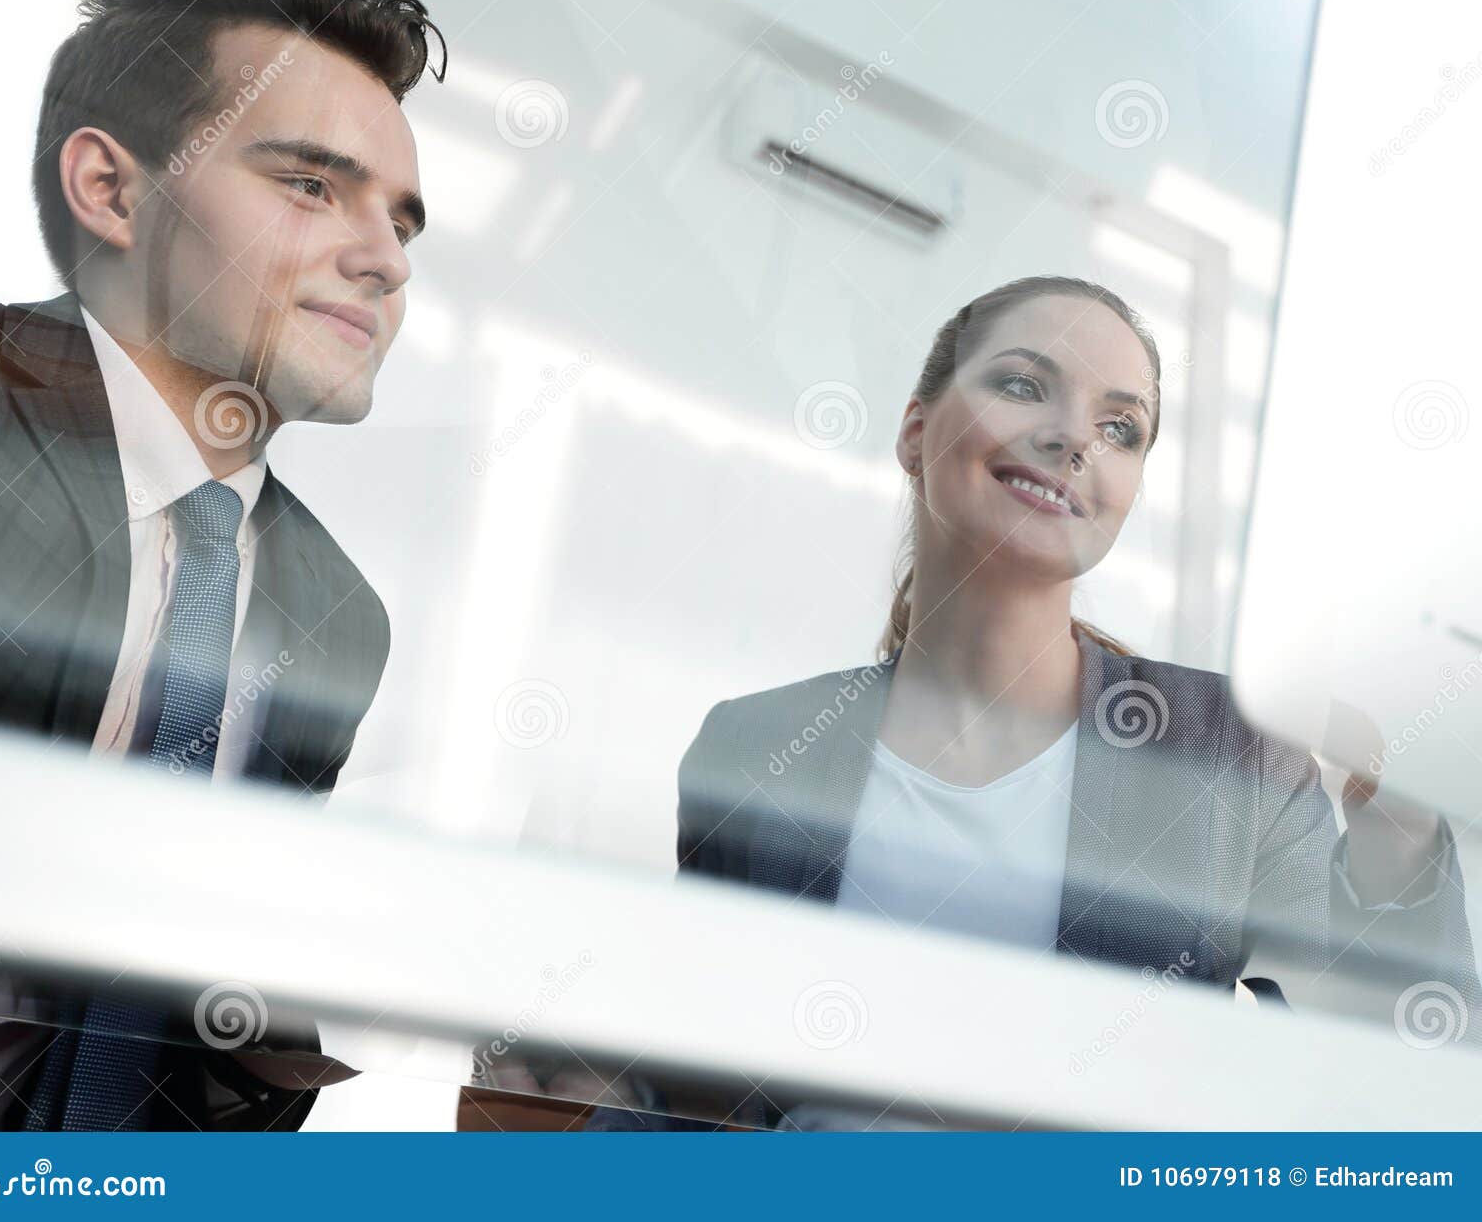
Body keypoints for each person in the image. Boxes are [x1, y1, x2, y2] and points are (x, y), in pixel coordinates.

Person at [584, 274, 1480, 1131]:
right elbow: (683, 1095)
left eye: (1121, 428)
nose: (1075, 438)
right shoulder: (754, 746)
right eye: (1024, 383)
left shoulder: (1230, 749)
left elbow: (1374, 1081)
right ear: (914, 431)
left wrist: (1396, 811)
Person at [0, 0, 443, 1131]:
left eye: (399, 220)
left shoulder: (337, 614)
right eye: (309, 185)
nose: (385, 260)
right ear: (110, 188)